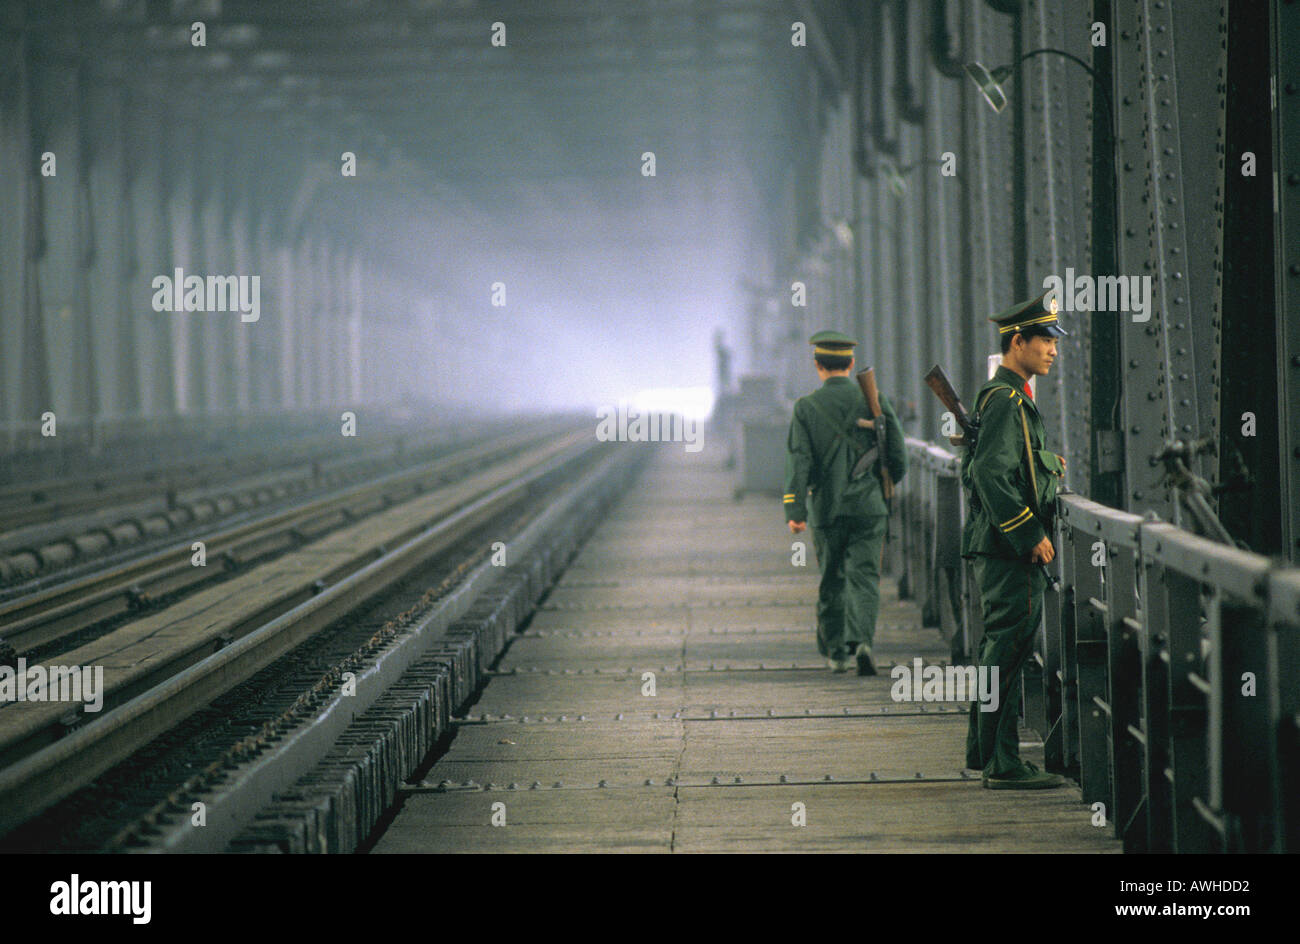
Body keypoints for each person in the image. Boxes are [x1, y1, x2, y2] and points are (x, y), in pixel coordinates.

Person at [960, 292, 1069, 789]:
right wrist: (1030, 532)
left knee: (997, 650)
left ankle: (986, 751)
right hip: (1010, 548)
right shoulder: (1006, 400)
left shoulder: (1007, 396)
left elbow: (1003, 469)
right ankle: (1002, 764)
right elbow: (988, 474)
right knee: (1006, 652)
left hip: (998, 546)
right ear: (1017, 341)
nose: (1052, 350)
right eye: (1044, 341)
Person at [783, 330, 906, 675]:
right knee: (865, 577)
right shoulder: (875, 400)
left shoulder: (806, 408)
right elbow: (899, 457)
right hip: (869, 509)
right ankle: (863, 641)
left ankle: (837, 652)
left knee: (832, 578)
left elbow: (799, 461)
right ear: (851, 364)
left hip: (827, 510)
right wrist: (881, 486)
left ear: (818, 366)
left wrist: (795, 510)